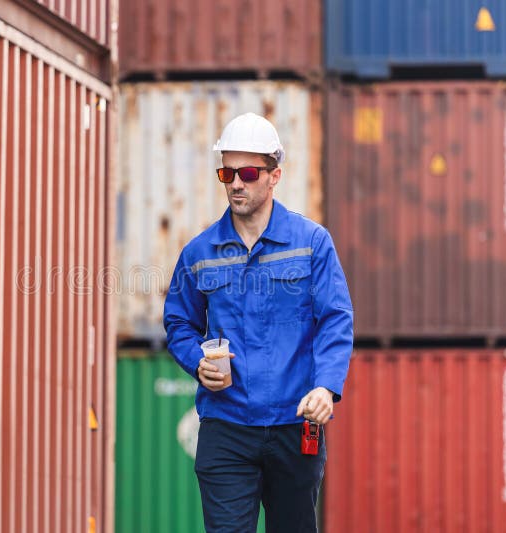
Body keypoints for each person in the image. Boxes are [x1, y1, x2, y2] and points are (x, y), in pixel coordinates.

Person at [163, 112, 354, 533]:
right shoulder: (200, 253)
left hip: (294, 425)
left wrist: (326, 386)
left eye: (248, 172)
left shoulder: (311, 244)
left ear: (274, 176)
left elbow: (335, 319)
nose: (236, 183)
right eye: (226, 172)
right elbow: (178, 322)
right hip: (226, 427)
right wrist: (197, 361)